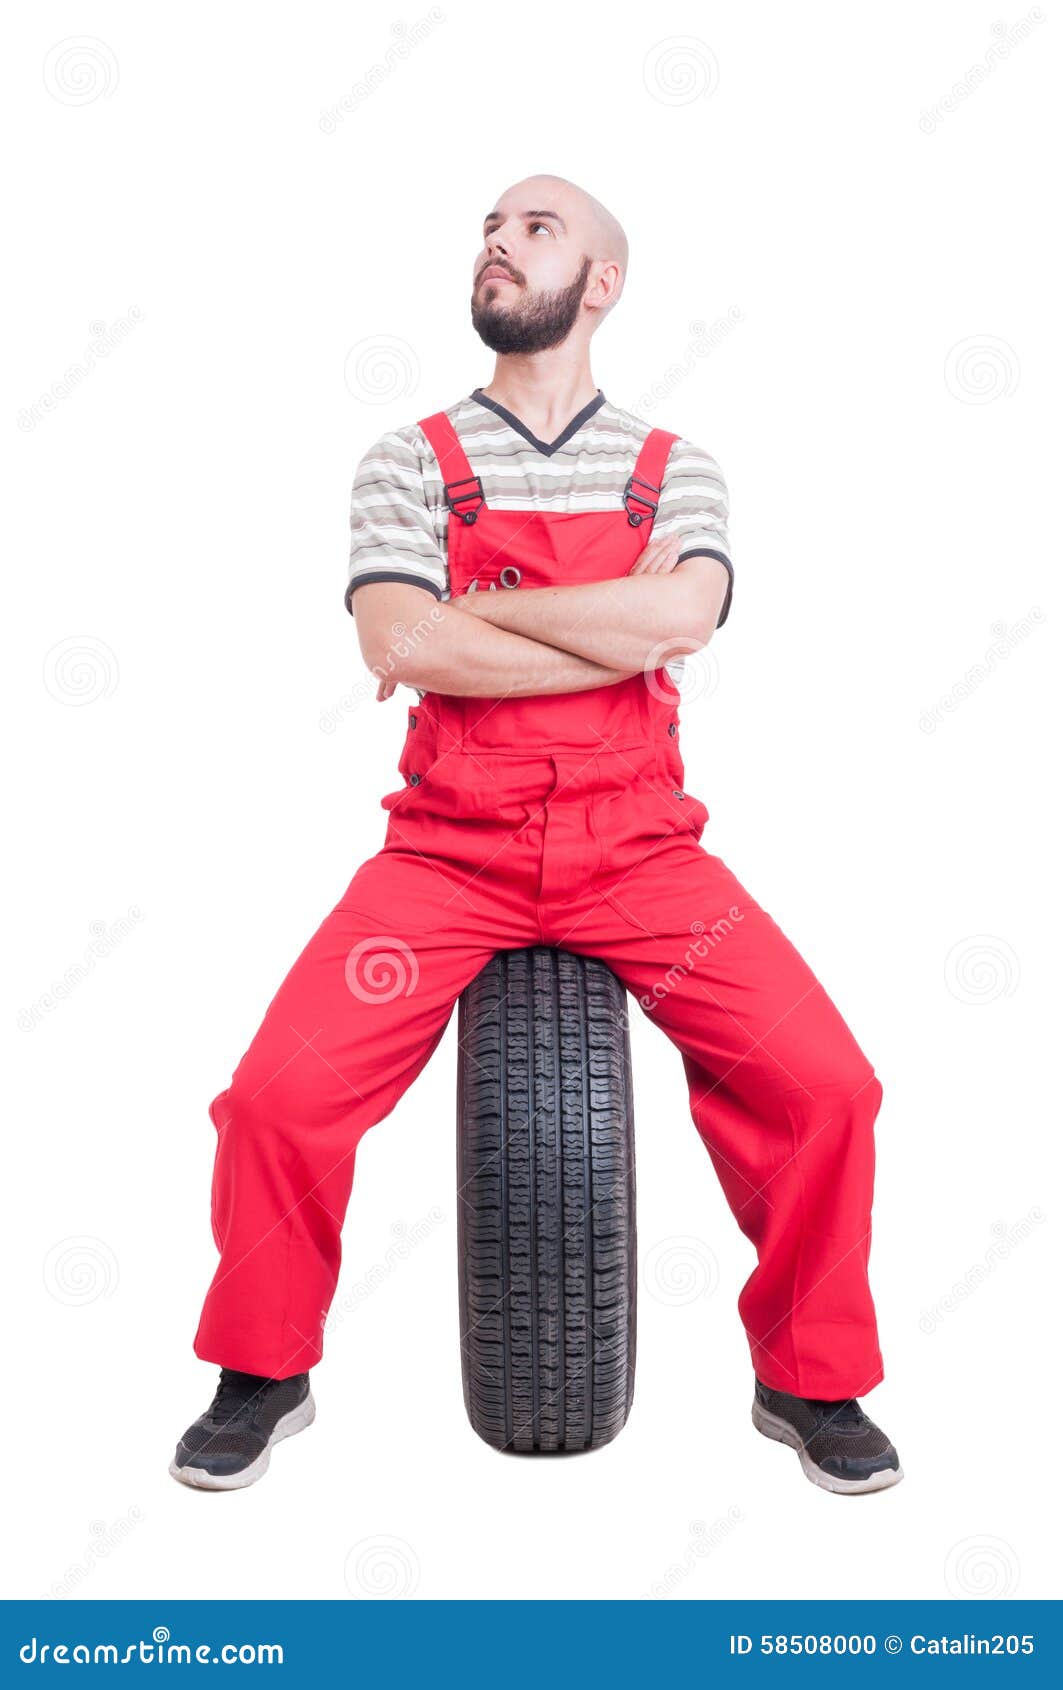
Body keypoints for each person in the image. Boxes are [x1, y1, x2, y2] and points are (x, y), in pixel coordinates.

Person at [171, 174, 901, 1496]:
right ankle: (263, 1367)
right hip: (450, 855)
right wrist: (592, 617)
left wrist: (483, 619)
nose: (498, 245)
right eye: (488, 231)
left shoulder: (675, 465)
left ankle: (809, 1376)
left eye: (534, 228)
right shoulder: (409, 459)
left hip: (642, 854)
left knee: (829, 1090)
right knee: (276, 1097)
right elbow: (396, 638)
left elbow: (684, 620)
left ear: (601, 282)